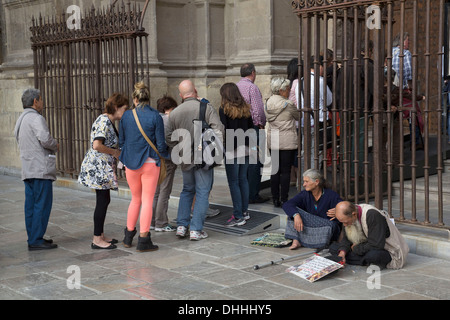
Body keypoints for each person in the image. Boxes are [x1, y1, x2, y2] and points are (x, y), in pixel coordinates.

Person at [166, 80, 224, 241]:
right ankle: (196, 230)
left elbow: (168, 137)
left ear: (181, 95)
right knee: (203, 192)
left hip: (184, 156)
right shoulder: (205, 107)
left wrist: (180, 145)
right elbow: (219, 129)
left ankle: (181, 226)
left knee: (187, 190)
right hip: (204, 156)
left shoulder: (175, 112)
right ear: (195, 91)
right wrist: (214, 149)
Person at [119, 82, 169, 252]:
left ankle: (128, 236)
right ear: (148, 99)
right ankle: (143, 239)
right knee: (147, 200)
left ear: (135, 99)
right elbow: (161, 144)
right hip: (149, 162)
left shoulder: (126, 116)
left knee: (135, 199)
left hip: (130, 163)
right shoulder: (156, 116)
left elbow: (122, 142)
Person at [78, 93, 129, 249]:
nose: (125, 112)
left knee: (104, 200)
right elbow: (96, 145)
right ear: (115, 107)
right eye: (124, 109)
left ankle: (100, 235)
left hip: (102, 166)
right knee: (102, 201)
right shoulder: (104, 121)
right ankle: (96, 239)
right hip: (98, 167)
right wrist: (114, 152)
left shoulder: (107, 120)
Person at [14, 88, 59, 251]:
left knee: (31, 205)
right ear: (35, 101)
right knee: (42, 204)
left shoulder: (21, 119)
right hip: (40, 168)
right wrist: (56, 145)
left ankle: (34, 237)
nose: (42, 102)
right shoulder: (36, 118)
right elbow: (46, 140)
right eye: (41, 99)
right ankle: (36, 239)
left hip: (28, 168)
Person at [330, 201, 409, 270]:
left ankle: (365, 260)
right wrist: (342, 252)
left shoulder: (372, 215)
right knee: (333, 248)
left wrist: (356, 248)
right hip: (364, 246)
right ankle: (364, 261)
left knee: (373, 256)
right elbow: (346, 238)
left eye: (346, 222)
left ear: (354, 214)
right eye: (342, 222)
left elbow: (377, 245)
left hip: (387, 250)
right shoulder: (349, 217)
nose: (345, 225)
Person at [219, 83, 254, 227]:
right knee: (243, 180)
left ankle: (238, 215)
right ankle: (244, 211)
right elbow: (251, 128)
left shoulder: (224, 110)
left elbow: (222, 129)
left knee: (234, 182)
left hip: (232, 149)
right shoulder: (246, 109)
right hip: (245, 147)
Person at [282, 169, 342, 250]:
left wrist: (338, 211)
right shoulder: (304, 194)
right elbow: (287, 204)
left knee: (330, 226)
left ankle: (315, 242)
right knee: (293, 212)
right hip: (312, 225)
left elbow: (346, 208)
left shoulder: (331, 195)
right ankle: (296, 241)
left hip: (325, 227)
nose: (304, 184)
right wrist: (296, 215)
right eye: (304, 181)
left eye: (306, 181)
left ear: (316, 182)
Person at [236, 63, 268, 204]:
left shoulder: (236, 86)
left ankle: (243, 192)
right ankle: (253, 194)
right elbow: (258, 110)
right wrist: (261, 123)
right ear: (253, 73)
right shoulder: (252, 87)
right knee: (255, 162)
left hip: (238, 129)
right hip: (252, 128)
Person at [265, 77, 299, 207]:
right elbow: (298, 116)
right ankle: (284, 198)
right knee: (285, 171)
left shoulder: (267, 103)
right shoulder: (288, 104)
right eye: (287, 89)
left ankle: (275, 198)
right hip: (287, 141)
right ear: (281, 90)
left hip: (273, 139)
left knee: (275, 170)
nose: (289, 91)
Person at [297, 56, 333, 171]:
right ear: (319, 66)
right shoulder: (320, 81)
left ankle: (304, 179)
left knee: (306, 152)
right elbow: (329, 100)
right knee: (317, 152)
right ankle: (313, 179)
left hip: (304, 122)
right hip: (319, 121)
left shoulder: (300, 81)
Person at [151, 95, 178, 232]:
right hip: (166, 158)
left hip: (154, 159)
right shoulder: (168, 120)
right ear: (168, 109)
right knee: (164, 191)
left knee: (155, 192)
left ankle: (152, 221)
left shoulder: (155, 118)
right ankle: (161, 222)